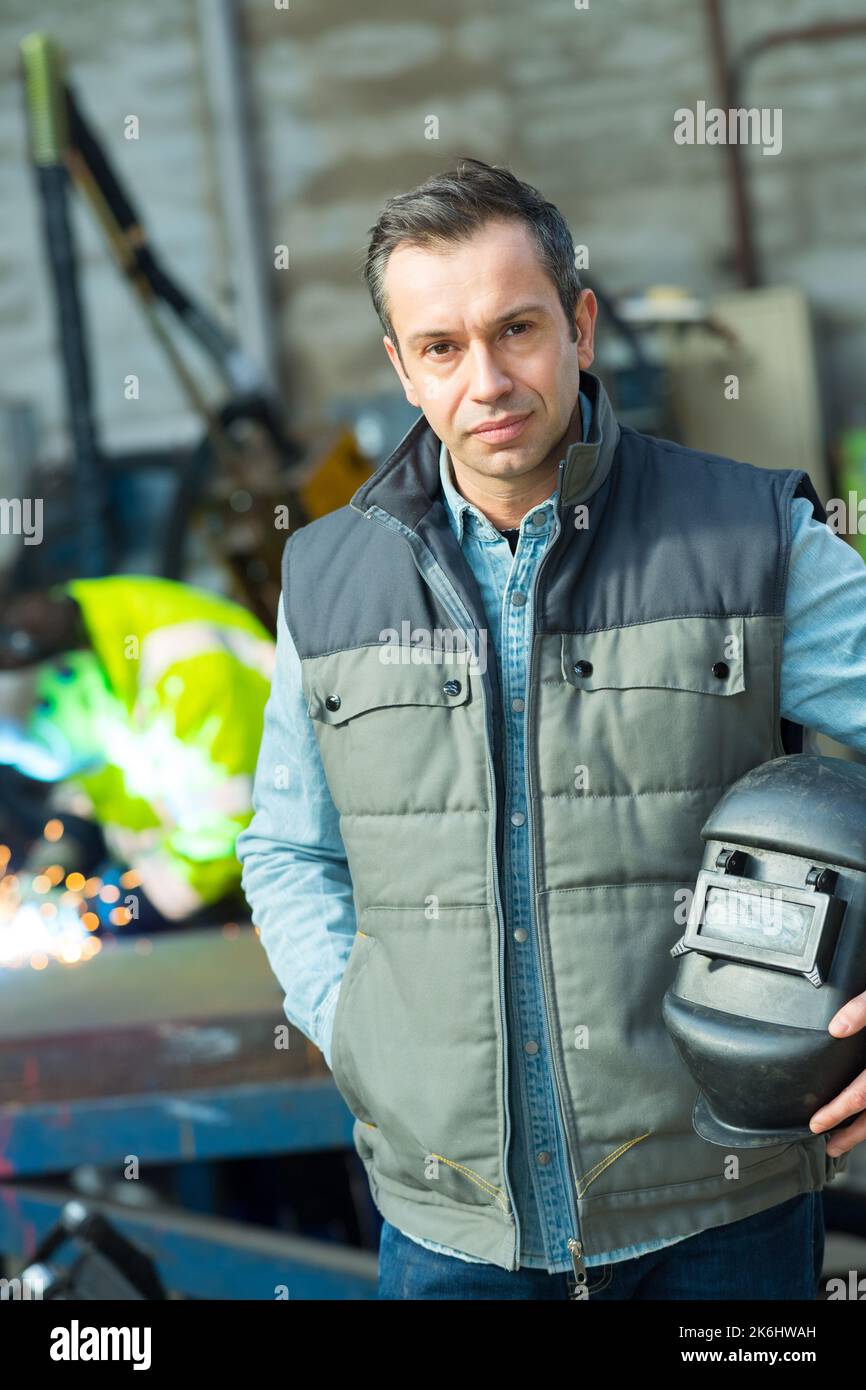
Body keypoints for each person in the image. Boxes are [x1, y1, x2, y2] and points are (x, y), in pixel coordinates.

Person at [237, 157, 866, 1300]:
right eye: (440, 347)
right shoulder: (326, 581)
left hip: (717, 1211)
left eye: (516, 328)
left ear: (577, 324)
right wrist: (357, 1028)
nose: (486, 379)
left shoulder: (746, 538)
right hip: (448, 1234)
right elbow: (287, 849)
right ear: (400, 367)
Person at [0, 574, 274, 922]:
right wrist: (70, 838)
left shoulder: (189, 673)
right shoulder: (99, 662)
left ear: (61, 685)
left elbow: (223, 835)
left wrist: (122, 906)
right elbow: (101, 765)